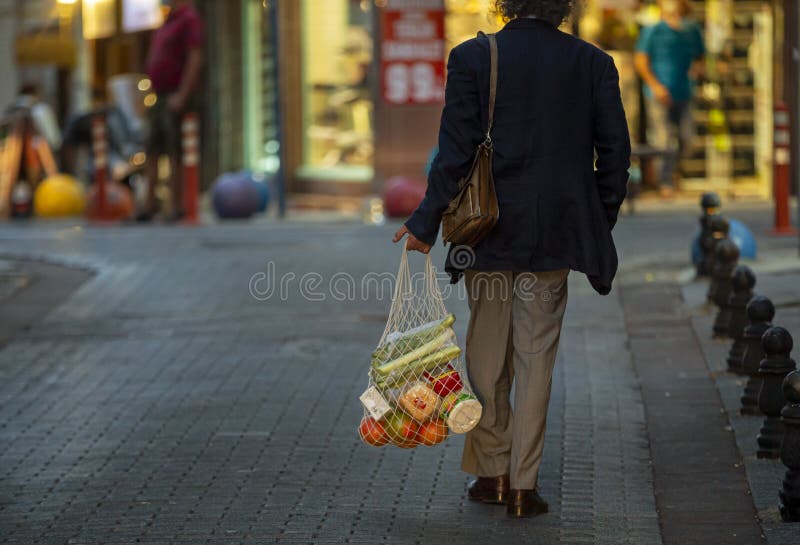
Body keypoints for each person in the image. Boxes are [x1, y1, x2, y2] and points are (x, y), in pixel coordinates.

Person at [393, 0, 630, 518]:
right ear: (563, 6)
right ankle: (524, 486)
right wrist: (595, 217)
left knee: (486, 353)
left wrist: (425, 221)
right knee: (535, 358)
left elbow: (453, 151)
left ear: (506, 5)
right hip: (552, 238)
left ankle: (493, 470)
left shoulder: (475, 57)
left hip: (489, 234)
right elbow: (615, 156)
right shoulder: (593, 63)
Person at [138, 0, 204, 222]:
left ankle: (177, 206)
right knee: (152, 149)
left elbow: (195, 57)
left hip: (175, 93)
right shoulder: (167, 20)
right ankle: (150, 205)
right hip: (159, 94)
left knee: (175, 150)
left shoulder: (189, 19)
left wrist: (182, 95)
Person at [635, 0, 704, 197]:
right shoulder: (653, 30)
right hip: (658, 93)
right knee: (662, 139)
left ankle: (675, 172)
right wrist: (656, 86)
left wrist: (696, 71)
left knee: (687, 138)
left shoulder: (691, 29)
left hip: (684, 91)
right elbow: (641, 61)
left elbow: (700, 57)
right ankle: (665, 182)